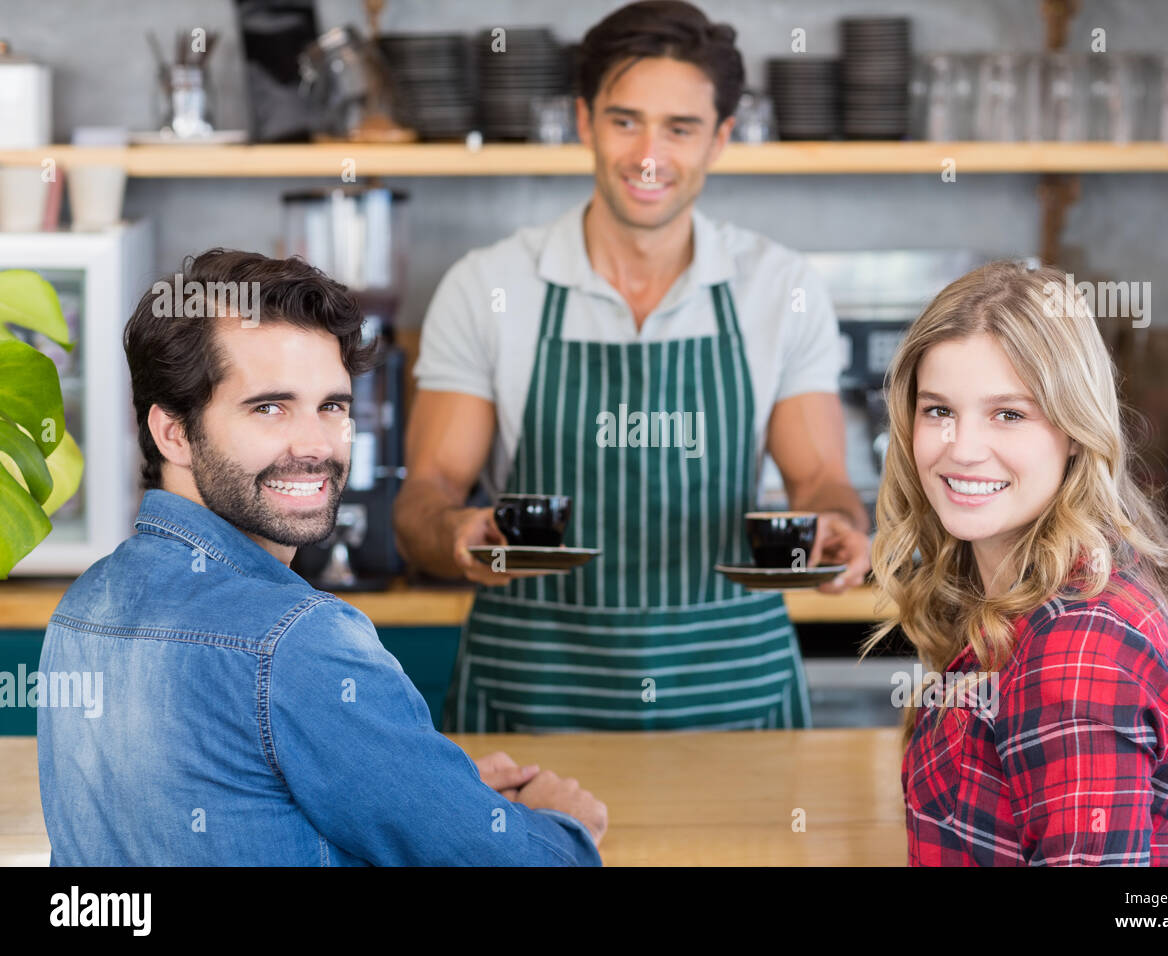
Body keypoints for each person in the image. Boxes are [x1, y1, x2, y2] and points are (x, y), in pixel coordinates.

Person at [37, 249, 605, 865]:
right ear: (173, 431)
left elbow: (229, 809)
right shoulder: (298, 641)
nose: (316, 446)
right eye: (269, 407)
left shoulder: (81, 606)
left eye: (331, 406)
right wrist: (559, 824)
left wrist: (433, 794)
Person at [396, 0, 872, 733]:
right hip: (533, 702)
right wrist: (454, 533)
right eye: (625, 121)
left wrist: (839, 526)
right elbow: (423, 496)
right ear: (585, 122)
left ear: (720, 139)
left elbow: (819, 481)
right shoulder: (489, 285)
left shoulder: (780, 287)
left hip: (734, 698)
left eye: (679, 129)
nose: (649, 155)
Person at [861, 259, 1168, 865]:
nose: (962, 449)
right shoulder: (1043, 594)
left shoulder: (1077, 649)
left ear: (1075, 430)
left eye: (1009, 414)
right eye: (938, 410)